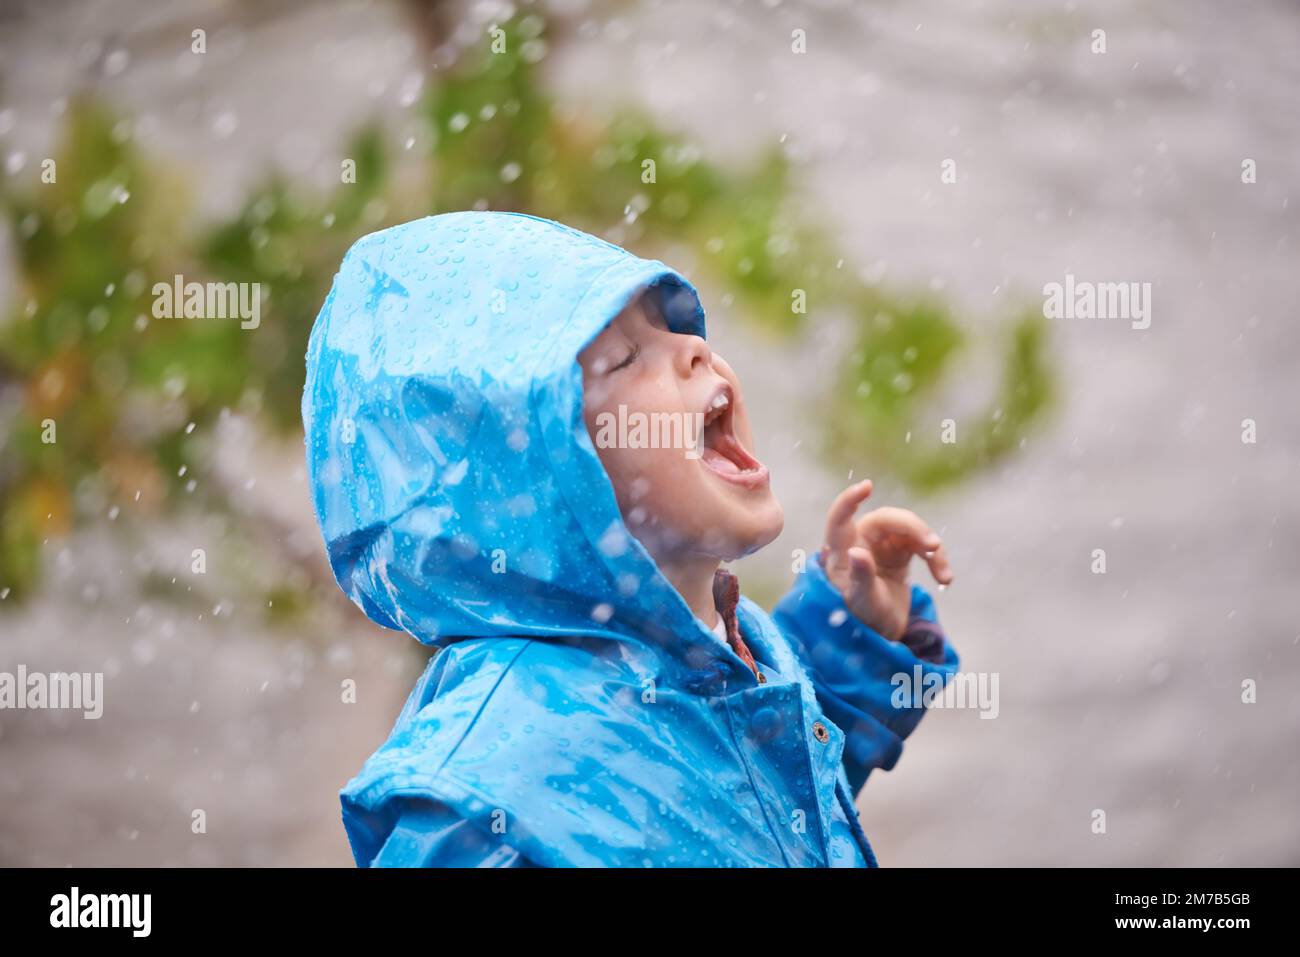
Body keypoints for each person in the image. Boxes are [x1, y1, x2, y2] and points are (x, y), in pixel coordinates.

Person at [302, 210, 958, 867]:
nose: (694, 347)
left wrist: (849, 633)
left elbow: (739, 784)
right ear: (537, 482)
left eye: (669, 325)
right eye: (622, 357)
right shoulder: (493, 799)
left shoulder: (720, 653)